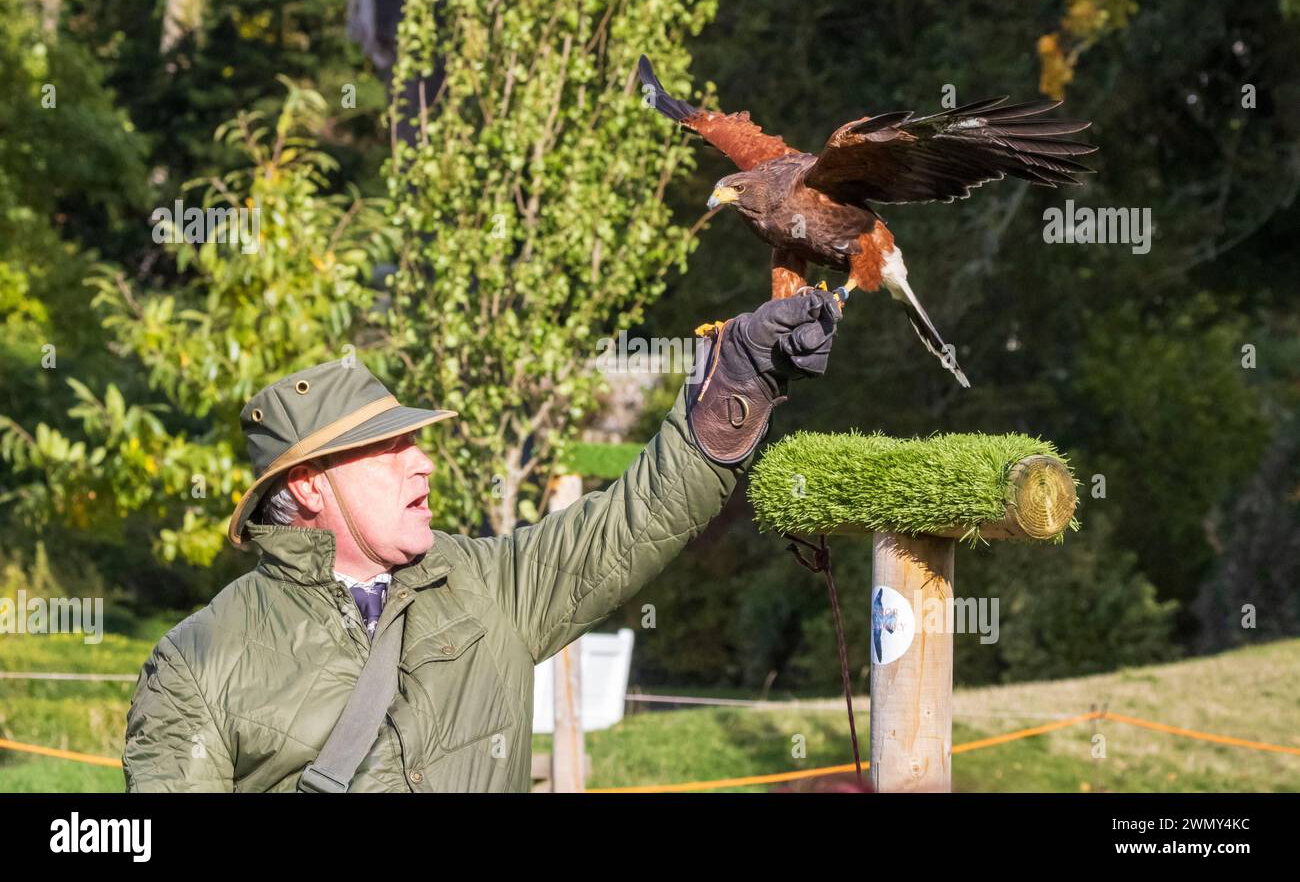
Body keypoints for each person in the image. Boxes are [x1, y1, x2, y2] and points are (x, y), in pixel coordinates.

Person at [122, 289, 842, 791]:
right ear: (310, 486)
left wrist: (737, 386)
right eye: (388, 448)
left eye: (413, 441)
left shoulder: (484, 583)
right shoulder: (198, 662)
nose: (423, 462)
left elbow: (635, 520)